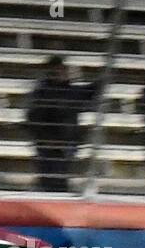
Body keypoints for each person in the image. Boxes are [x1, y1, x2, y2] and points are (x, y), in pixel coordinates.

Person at [24, 55, 99, 193]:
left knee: (59, 177)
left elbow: (88, 93)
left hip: (63, 144)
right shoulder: (43, 92)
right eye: (58, 70)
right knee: (52, 177)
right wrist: (47, 139)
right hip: (50, 145)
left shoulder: (66, 91)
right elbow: (32, 119)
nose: (63, 72)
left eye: (63, 69)